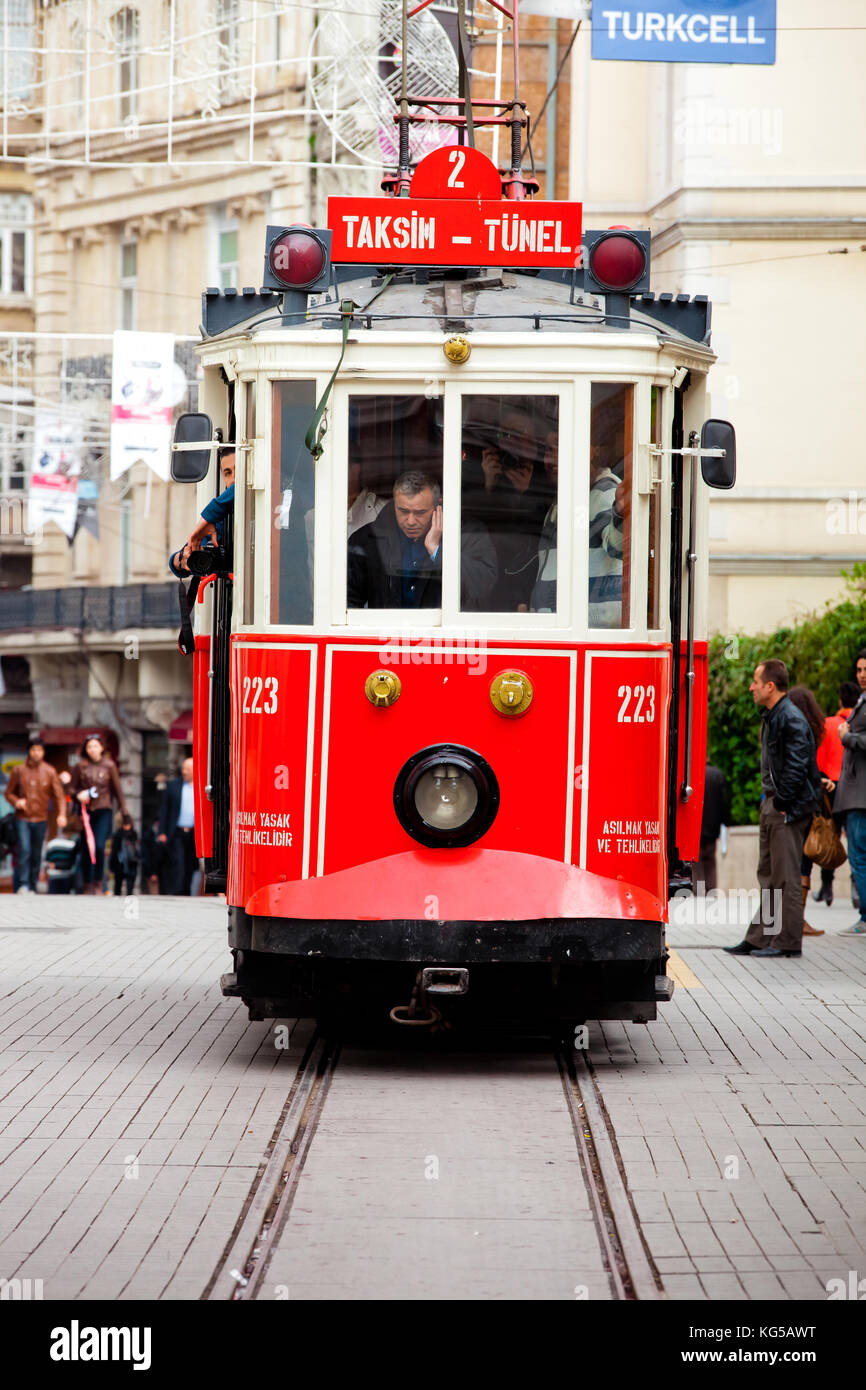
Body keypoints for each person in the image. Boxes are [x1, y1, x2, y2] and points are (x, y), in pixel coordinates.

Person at [724, 659, 821, 958]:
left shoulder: (789, 718)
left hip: (785, 809)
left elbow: (798, 764)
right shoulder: (774, 715)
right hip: (774, 804)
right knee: (768, 873)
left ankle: (788, 942)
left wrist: (780, 803)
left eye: (756, 681)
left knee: (786, 876)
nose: (751, 687)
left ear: (770, 685)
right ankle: (760, 938)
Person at [348, 471, 496, 611]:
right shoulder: (368, 539)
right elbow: (347, 602)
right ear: (394, 504)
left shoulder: (466, 533)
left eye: (420, 513)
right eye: (403, 511)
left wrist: (437, 551)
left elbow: (483, 585)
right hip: (387, 635)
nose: (411, 521)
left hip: (442, 635)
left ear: (438, 506)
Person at [462, 404, 553, 610]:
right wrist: (486, 486)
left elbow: (548, 532)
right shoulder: (479, 468)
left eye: (522, 434)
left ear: (535, 442)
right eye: (507, 435)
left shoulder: (545, 474)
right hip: (484, 576)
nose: (515, 442)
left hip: (528, 578)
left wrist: (526, 494)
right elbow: (463, 526)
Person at [787, 685, 830, 937]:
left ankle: (792, 920)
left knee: (792, 864)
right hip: (808, 805)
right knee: (805, 864)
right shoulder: (811, 732)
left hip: (791, 806)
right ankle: (799, 919)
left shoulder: (791, 729)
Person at [812, 679, 859, 905]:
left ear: (840, 699)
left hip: (830, 785)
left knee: (829, 834)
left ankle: (827, 887)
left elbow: (819, 758)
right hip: (853, 787)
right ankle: (856, 885)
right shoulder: (857, 723)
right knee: (855, 838)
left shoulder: (828, 723)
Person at [831, 647, 866, 935]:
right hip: (855, 792)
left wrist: (847, 737)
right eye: (859, 670)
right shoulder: (862, 701)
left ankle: (865, 917)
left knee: (859, 856)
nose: (862, 675)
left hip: (860, 795)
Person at [67, 736, 130, 894]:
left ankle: (98, 881)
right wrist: (77, 795)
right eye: (89, 747)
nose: (92, 750)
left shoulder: (109, 766)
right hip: (85, 812)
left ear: (101, 748)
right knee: (87, 847)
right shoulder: (80, 766)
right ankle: (87, 882)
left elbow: (117, 790)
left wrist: (125, 812)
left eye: (95, 746)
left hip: (104, 809)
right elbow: (70, 789)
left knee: (100, 846)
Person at [4, 738, 67, 894]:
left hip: (41, 818)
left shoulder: (50, 771)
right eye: (33, 750)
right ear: (29, 752)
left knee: (36, 853)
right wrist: (16, 801)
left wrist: (62, 814)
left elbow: (59, 796)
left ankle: (32, 885)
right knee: (24, 850)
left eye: (39, 750)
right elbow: (8, 793)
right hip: (22, 818)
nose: (36, 753)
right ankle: (24, 884)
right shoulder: (19, 770)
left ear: (43, 752)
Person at [169, 448, 235, 576]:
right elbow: (192, 550)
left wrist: (210, 514)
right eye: (227, 473)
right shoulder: (223, 519)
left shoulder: (277, 488)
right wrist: (183, 559)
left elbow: (241, 487)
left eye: (239, 469)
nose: (233, 478)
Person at [588, 442, 626, 628]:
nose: (548, 458)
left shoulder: (606, 492)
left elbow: (617, 546)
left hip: (595, 631)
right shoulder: (572, 493)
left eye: (557, 446)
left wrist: (620, 511)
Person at [158, 757, 198, 895]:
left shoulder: (201, 787)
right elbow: (164, 810)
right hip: (176, 831)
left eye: (187, 769)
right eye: (183, 768)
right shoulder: (173, 786)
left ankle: (186, 889)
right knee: (177, 861)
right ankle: (177, 890)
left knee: (190, 863)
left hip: (194, 833)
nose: (184, 771)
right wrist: (162, 831)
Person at [698, 763, 730, 894]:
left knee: (696, 860)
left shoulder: (694, 774)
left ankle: (698, 890)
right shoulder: (717, 774)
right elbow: (724, 801)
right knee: (710, 858)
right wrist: (725, 822)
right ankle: (711, 889)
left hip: (698, 825)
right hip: (712, 825)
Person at [109, 814, 140, 897]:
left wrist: (111, 866)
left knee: (119, 887)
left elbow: (114, 851)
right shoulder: (133, 834)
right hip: (128, 863)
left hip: (124, 863)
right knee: (124, 887)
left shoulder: (119, 834)